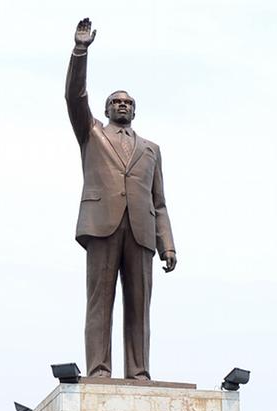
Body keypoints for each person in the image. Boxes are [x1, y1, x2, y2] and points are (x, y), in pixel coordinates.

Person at [65, 18, 177, 380]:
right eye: (115, 102)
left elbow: (159, 202)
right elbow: (74, 97)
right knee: (100, 302)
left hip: (142, 231)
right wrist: (81, 51)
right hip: (102, 225)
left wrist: (168, 245)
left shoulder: (151, 149)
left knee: (139, 306)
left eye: (128, 102)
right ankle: (99, 368)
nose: (122, 106)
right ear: (107, 108)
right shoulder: (91, 133)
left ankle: (139, 371)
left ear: (135, 110)